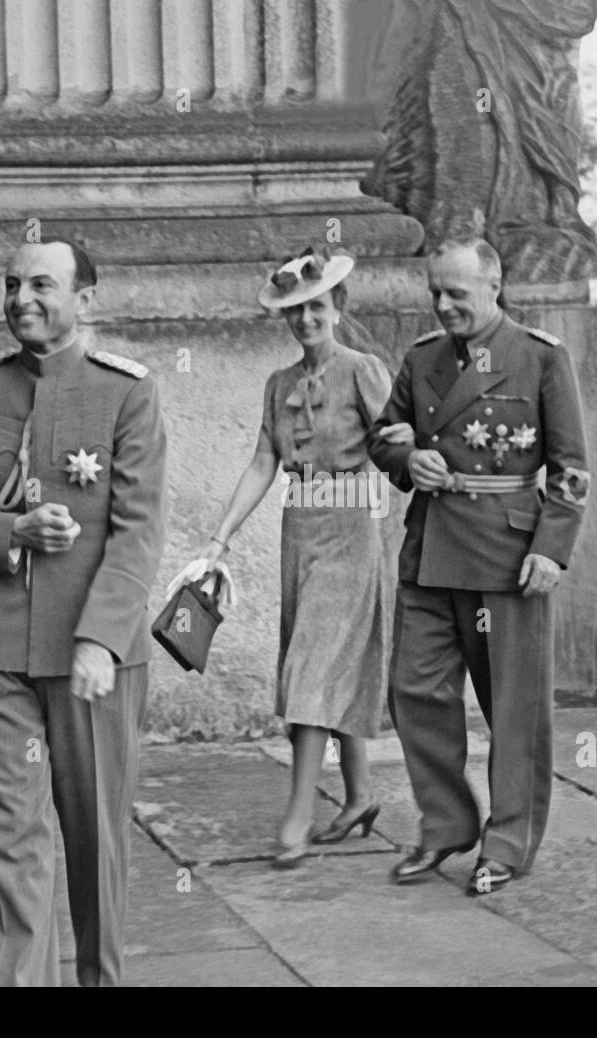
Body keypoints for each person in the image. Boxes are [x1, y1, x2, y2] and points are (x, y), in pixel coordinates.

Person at [0, 238, 167, 987]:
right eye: (11, 284)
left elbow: (137, 531)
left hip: (94, 656)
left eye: (42, 286)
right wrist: (7, 533)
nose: (22, 299)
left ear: (85, 300)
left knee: (94, 842)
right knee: (10, 843)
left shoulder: (129, 391)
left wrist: (99, 640)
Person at [369, 238, 589, 895]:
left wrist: (552, 547)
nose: (442, 305)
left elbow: (572, 468)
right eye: (435, 292)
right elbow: (383, 435)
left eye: (456, 294)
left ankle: (510, 842)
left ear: (493, 285)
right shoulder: (421, 358)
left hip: (509, 554)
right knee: (414, 692)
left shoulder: (540, 357)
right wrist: (408, 461)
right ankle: (446, 826)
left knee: (513, 709)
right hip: (432, 549)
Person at [172, 249, 393, 866]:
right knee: (325, 666)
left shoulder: (363, 371)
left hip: (352, 530)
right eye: (295, 311)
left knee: (309, 671)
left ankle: (297, 814)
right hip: (301, 532)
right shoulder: (278, 385)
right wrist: (220, 538)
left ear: (338, 308)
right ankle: (359, 797)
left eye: (316, 307)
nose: (306, 320)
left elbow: (397, 444)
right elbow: (265, 460)